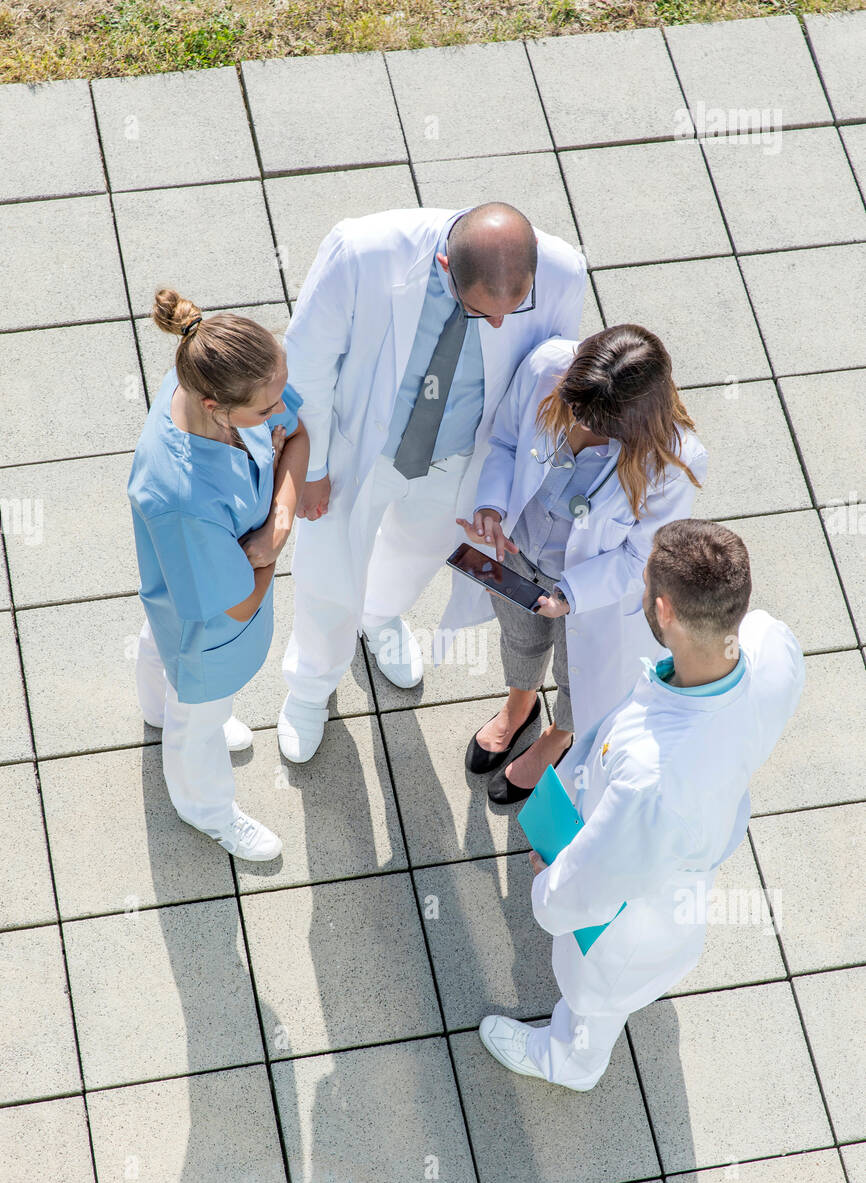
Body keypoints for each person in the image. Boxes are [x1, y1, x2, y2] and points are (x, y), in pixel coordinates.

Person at [478, 519, 805, 1091]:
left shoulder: (651, 780)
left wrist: (551, 881)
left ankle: (570, 1061)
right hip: (691, 851)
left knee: (593, 999)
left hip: (635, 921)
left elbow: (592, 882)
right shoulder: (773, 648)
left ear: (667, 612)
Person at [276, 201, 587, 762]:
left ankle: (378, 615)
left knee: (416, 555)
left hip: (464, 457)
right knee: (328, 568)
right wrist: (314, 466)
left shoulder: (564, 270)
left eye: (514, 310)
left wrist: (509, 492)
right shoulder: (361, 251)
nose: (499, 324)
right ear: (445, 265)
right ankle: (310, 685)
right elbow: (307, 366)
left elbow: (547, 379)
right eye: (481, 311)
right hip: (364, 449)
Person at [447, 325, 708, 804]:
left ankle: (558, 735)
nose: (581, 427)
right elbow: (505, 442)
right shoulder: (547, 365)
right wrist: (491, 507)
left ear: (637, 421)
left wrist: (570, 595)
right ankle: (520, 706)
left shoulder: (674, 462)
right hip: (516, 552)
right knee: (519, 639)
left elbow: (641, 559)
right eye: (575, 410)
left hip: (589, 595)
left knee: (578, 672)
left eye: (599, 426)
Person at [128, 289, 308, 860]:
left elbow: (298, 437)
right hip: (211, 623)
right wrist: (274, 544)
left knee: (161, 642)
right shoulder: (180, 493)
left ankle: (159, 711)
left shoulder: (231, 379)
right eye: (265, 411)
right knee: (199, 716)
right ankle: (205, 809)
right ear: (214, 405)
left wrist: (275, 528)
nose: (279, 414)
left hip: (187, 591)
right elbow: (234, 606)